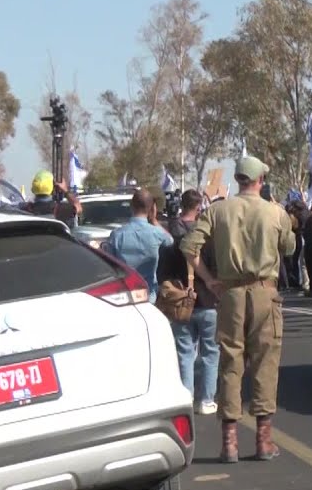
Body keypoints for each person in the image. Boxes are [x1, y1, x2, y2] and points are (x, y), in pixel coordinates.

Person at [181, 155, 295, 463]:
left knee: (230, 362)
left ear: (239, 179)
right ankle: (263, 440)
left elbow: (188, 247)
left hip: (230, 294)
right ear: (260, 181)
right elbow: (289, 248)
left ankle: (229, 442)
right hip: (264, 292)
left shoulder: (217, 210)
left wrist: (209, 280)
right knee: (265, 362)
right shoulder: (275, 212)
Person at [161, 189, 220, 415]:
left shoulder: (171, 237)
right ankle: (206, 399)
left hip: (181, 301)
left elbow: (163, 272)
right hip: (208, 301)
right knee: (210, 352)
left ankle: (186, 396)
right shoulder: (209, 238)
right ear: (198, 207)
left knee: (185, 352)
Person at [100, 189, 173, 303]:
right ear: (151, 209)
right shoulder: (157, 233)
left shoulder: (117, 235)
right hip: (149, 295)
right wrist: (154, 219)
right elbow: (170, 241)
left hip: (125, 294)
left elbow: (109, 265)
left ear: (132, 206)